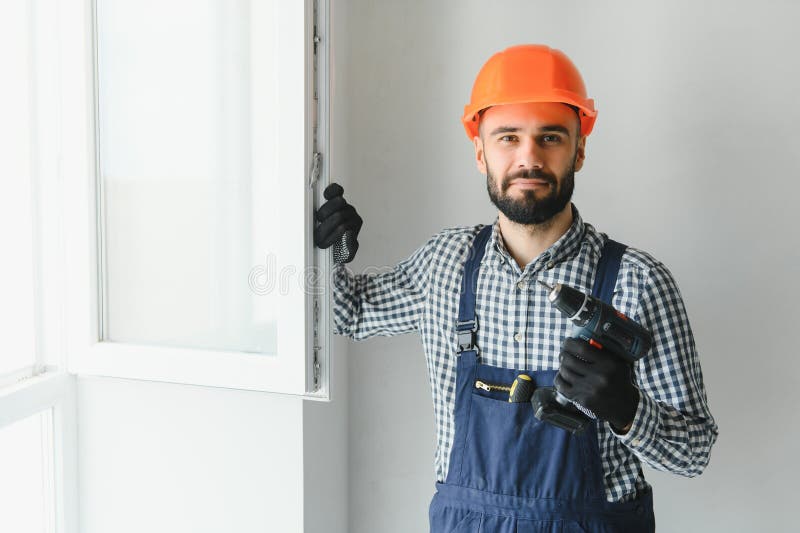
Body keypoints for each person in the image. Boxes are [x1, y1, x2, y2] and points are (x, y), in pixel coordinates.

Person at [314, 44, 718, 532]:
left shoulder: (638, 281)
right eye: (508, 137)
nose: (529, 158)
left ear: (579, 150)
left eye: (550, 137)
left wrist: (627, 410)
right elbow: (347, 313)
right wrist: (327, 252)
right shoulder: (444, 264)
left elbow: (694, 452)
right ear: (480, 151)